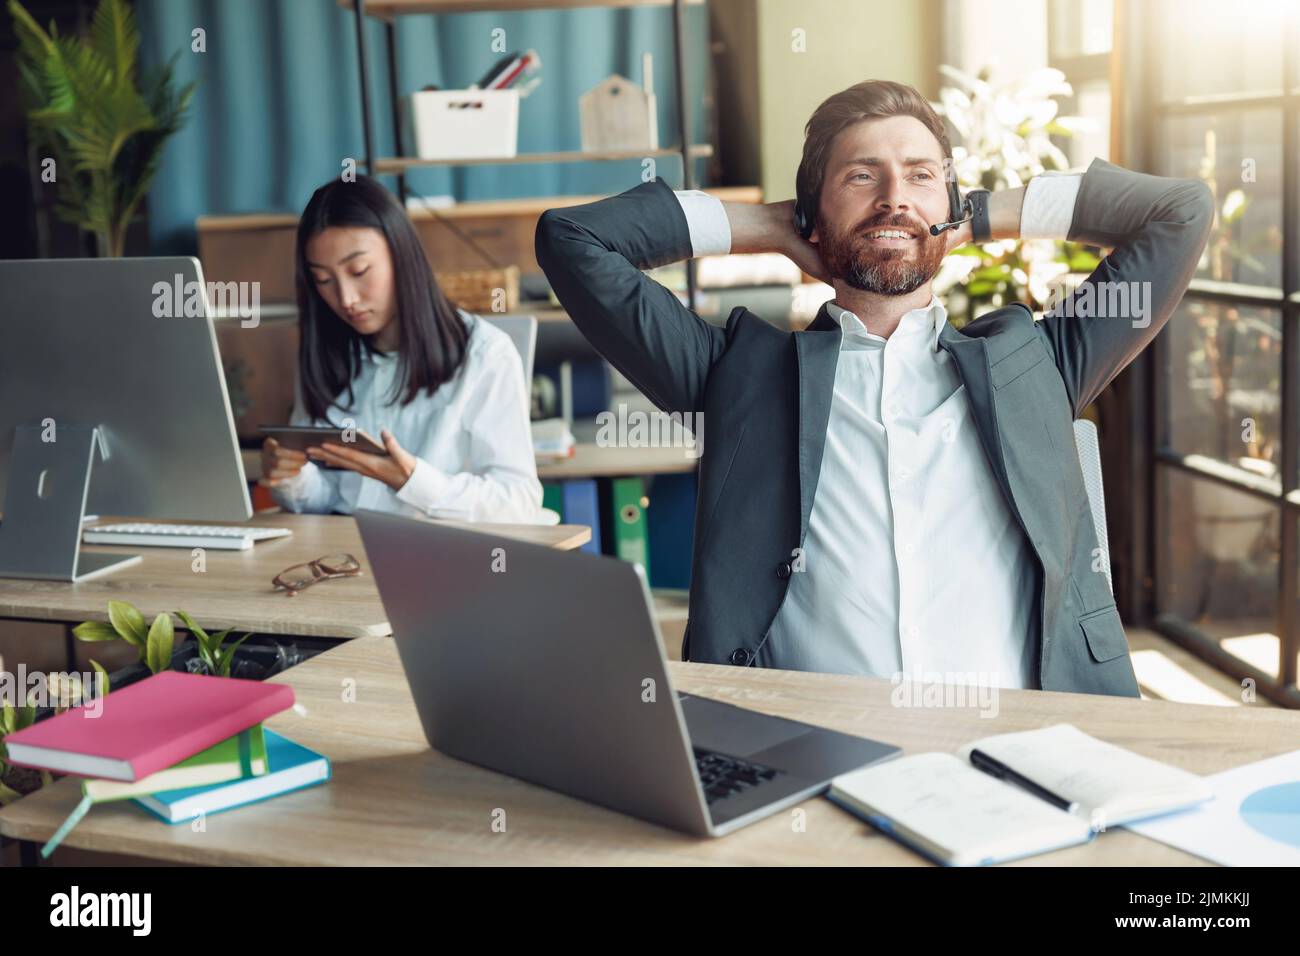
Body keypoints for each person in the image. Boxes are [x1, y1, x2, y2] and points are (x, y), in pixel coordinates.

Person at [535, 79, 1213, 696]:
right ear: (812, 210)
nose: (894, 196)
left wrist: (975, 214)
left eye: (920, 176)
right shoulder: (734, 377)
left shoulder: (1038, 360)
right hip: (811, 761)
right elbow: (572, 239)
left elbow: (1180, 214)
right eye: (862, 176)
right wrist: (768, 227)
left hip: (1022, 755)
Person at [262, 175, 545, 524]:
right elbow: (334, 500)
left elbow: (518, 502)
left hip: (443, 560)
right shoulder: (326, 355)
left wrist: (412, 480)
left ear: (401, 254)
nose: (346, 298)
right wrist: (293, 475)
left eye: (359, 270)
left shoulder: (485, 354)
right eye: (323, 280)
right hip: (347, 560)